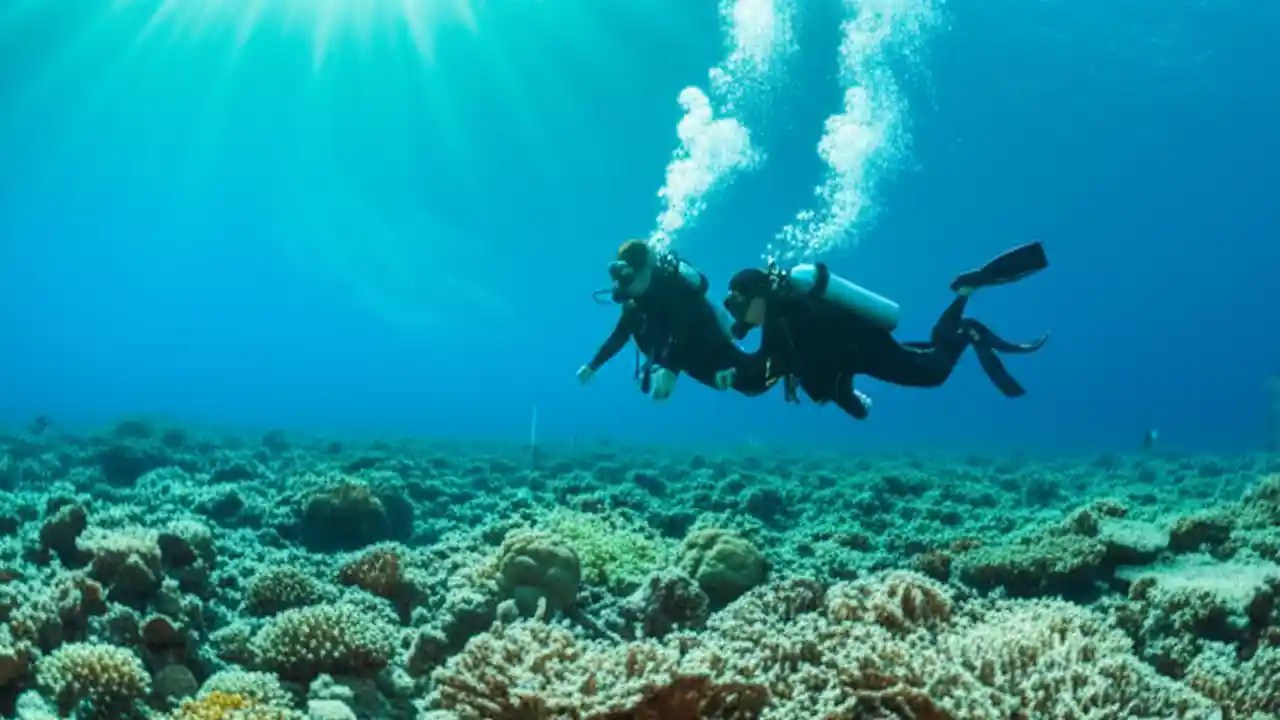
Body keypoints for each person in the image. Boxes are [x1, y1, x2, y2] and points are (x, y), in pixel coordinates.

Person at [722, 242, 1051, 419]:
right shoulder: (788, 311)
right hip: (861, 352)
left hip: (867, 349)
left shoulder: (787, 314)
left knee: (933, 373)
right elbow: (795, 357)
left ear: (760, 297)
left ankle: (966, 322)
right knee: (920, 356)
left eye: (739, 304)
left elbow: (781, 362)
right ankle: (960, 309)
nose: (739, 314)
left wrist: (733, 376)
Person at [578, 239, 746, 401]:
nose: (623, 286)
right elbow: (619, 336)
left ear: (645, 270)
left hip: (701, 337)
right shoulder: (633, 304)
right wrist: (592, 366)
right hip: (669, 350)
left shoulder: (671, 288)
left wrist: (668, 368)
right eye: (620, 280)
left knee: (721, 368)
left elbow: (683, 330)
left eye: (628, 279)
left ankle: (722, 371)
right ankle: (719, 375)